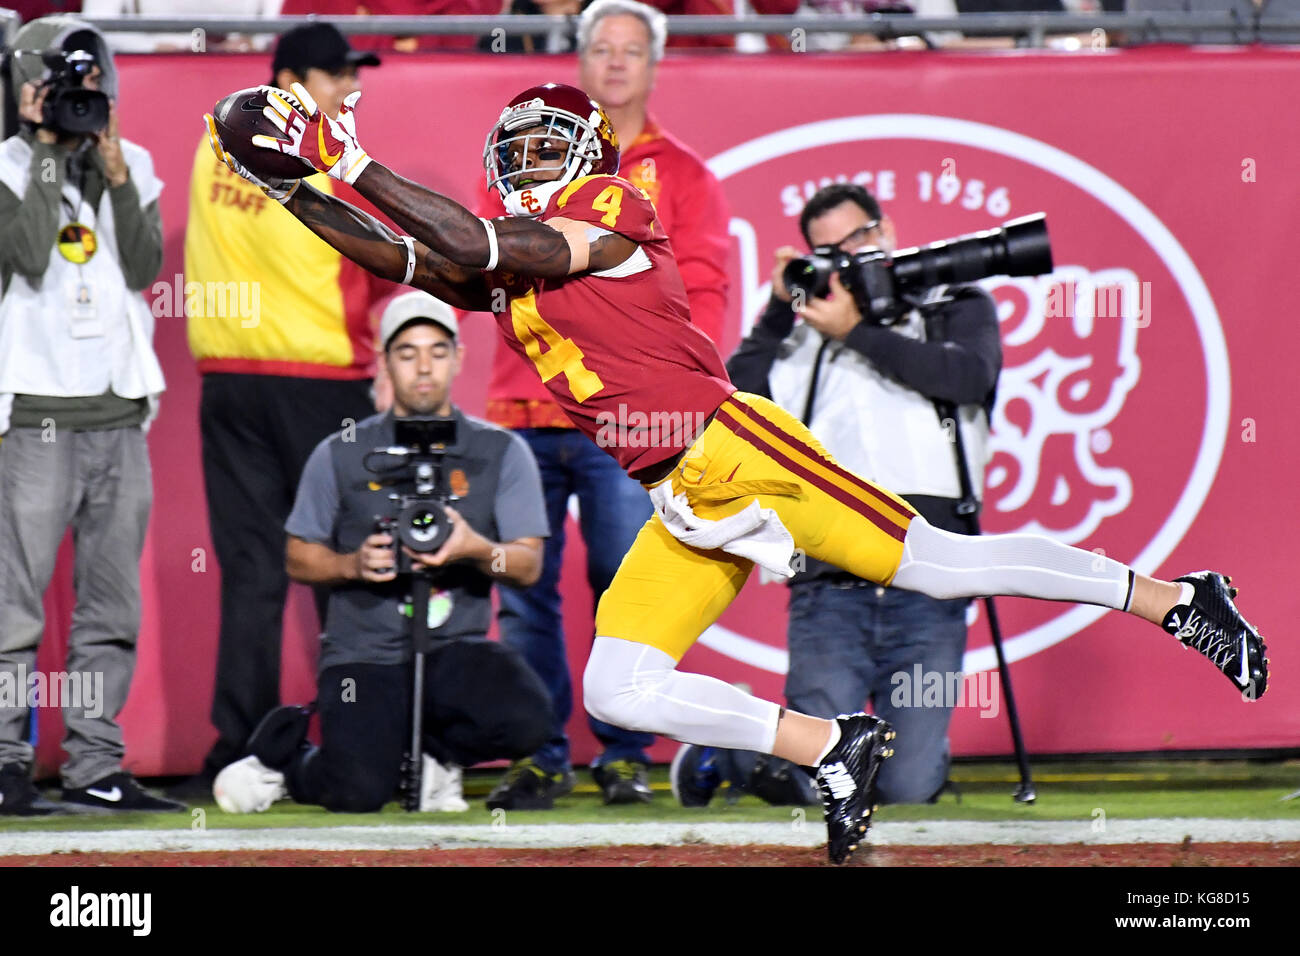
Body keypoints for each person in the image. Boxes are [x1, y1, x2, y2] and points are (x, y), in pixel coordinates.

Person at [205, 79, 1268, 864]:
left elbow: (469, 237)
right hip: (681, 492)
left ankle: (1177, 597)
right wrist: (294, 185)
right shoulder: (511, 258)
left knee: (940, 565)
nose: (529, 161)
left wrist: (346, 160)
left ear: (589, 152)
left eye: (546, 145)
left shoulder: (615, 215)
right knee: (616, 683)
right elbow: (405, 255)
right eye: (518, 148)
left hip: (739, 448)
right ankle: (827, 744)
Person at [477, 0, 733, 809]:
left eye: (631, 50)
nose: (616, 63)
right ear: (579, 60)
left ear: (654, 65)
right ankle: (537, 749)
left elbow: (707, 292)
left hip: (630, 417)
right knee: (524, 588)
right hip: (524, 406)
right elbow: (485, 266)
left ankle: (625, 753)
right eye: (601, 48)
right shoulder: (527, 154)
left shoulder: (679, 172)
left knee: (627, 579)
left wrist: (683, 403)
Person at [673, 183, 1000, 808]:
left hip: (931, 575)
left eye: (858, 238)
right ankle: (734, 749)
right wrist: (779, 307)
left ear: (888, 231)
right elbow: (727, 401)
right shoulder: (800, 336)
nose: (849, 256)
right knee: (826, 785)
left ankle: (913, 756)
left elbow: (966, 377)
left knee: (906, 792)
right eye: (828, 250)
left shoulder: (951, 305)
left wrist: (857, 333)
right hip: (830, 579)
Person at [212, 291, 554, 814]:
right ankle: (289, 766)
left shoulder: (499, 451)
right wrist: (352, 564)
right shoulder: (341, 451)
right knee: (357, 794)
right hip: (364, 656)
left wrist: (475, 548)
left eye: (438, 352)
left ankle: (432, 757)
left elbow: (526, 566)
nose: (423, 367)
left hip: (453, 648)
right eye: (407, 352)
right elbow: (298, 556)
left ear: (459, 358)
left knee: (527, 718)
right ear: (385, 361)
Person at [177, 21, 393, 799]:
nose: (348, 89)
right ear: (295, 81)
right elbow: (375, 265)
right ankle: (363, 744)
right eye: (337, 76)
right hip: (320, 380)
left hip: (228, 382)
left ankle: (235, 753)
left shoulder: (215, 138)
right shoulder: (321, 153)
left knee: (252, 573)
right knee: (349, 571)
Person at [0, 16, 181, 814]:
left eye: (92, 76)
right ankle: (6, 761)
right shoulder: (6, 165)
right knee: (13, 605)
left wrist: (113, 174)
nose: (84, 93)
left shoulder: (130, 162)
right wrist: (43, 147)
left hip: (119, 411)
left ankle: (95, 764)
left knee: (112, 605)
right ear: (26, 84)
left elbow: (144, 265)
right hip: (35, 414)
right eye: (66, 79)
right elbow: (32, 250)